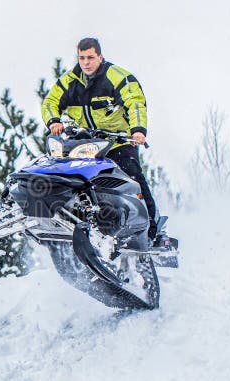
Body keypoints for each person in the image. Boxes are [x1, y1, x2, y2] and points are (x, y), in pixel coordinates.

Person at [41, 37, 161, 242]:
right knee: (66, 173)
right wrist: (53, 121)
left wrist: (138, 130)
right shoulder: (69, 81)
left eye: (90, 57)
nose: (86, 62)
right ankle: (66, 218)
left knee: (134, 177)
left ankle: (151, 228)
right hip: (84, 142)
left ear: (100, 57)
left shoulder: (115, 76)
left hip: (118, 142)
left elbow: (135, 103)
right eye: (82, 58)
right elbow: (50, 101)